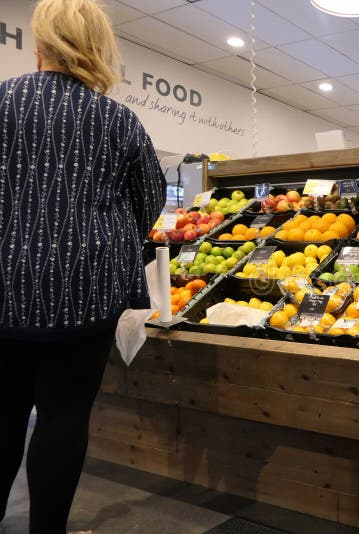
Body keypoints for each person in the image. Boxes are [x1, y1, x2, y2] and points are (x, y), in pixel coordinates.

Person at [0, 1, 166, 533]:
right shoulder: (118, 120)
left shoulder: (1, 101)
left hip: (2, 288)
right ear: (97, 48)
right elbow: (149, 201)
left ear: (39, 43)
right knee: (64, 417)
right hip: (84, 291)